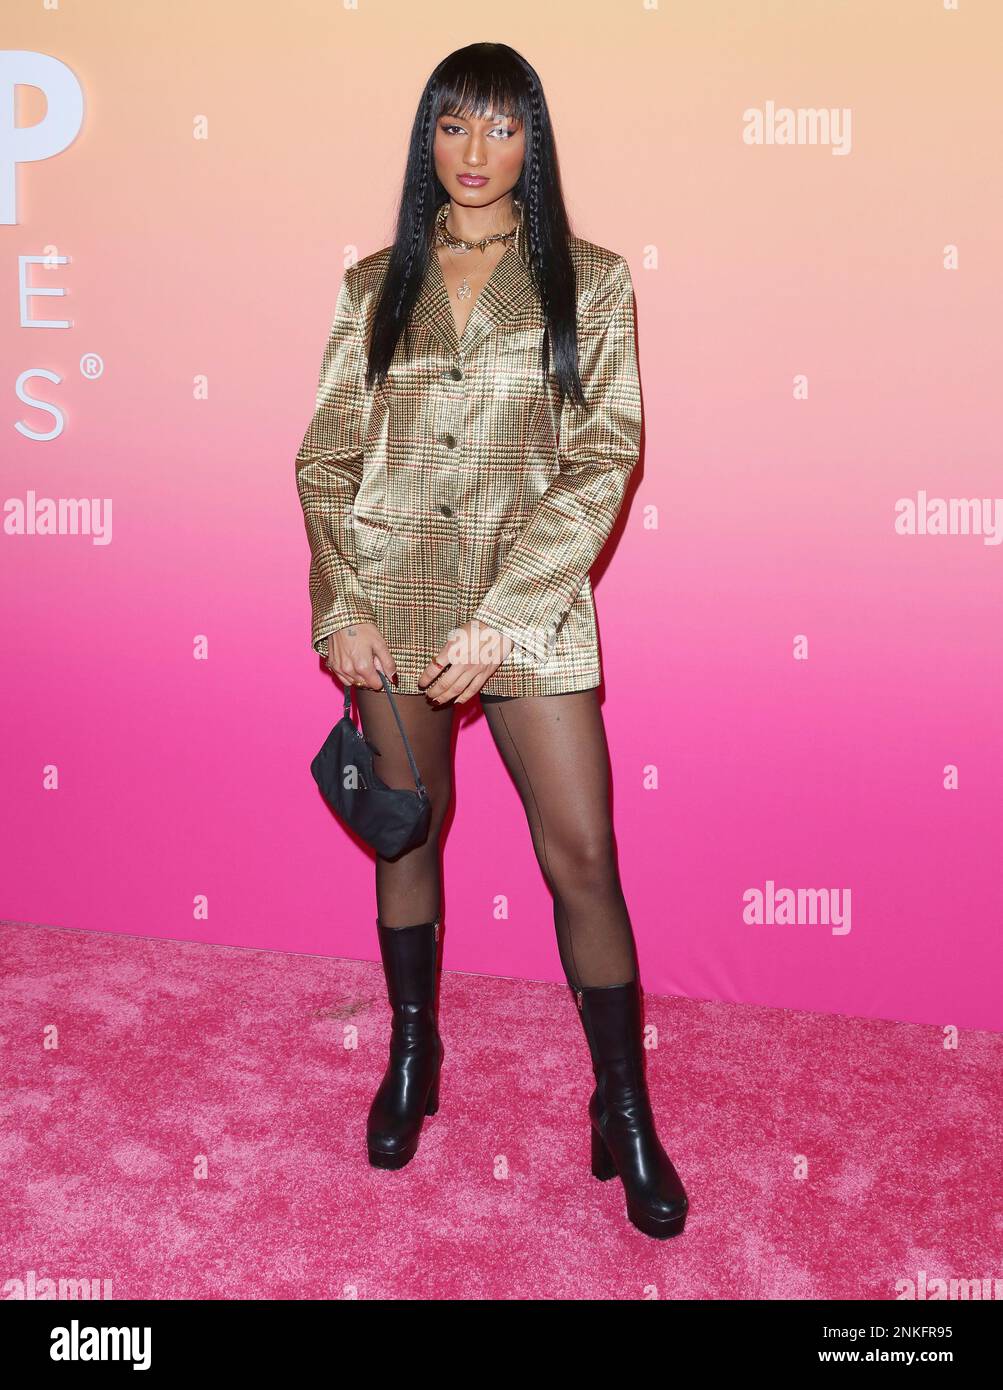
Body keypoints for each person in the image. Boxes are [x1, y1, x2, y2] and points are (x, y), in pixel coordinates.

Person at [294, 42, 688, 1240]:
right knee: (404, 838)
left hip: (532, 602)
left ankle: (621, 1108)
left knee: (582, 854)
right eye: (454, 127)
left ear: (534, 142)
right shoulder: (374, 284)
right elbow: (326, 458)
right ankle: (414, 1056)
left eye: (502, 128)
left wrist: (506, 615)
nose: (476, 153)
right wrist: (341, 604)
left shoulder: (592, 278)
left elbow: (601, 456)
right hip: (395, 601)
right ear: (428, 140)